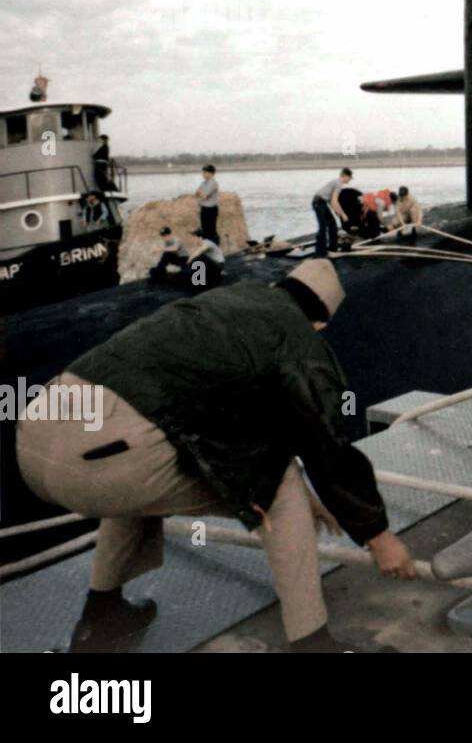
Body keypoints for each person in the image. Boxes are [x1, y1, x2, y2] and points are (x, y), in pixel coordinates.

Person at [16, 260, 415, 654]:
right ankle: (312, 642)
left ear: (280, 287)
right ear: (320, 324)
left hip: (39, 430)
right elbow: (327, 447)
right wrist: (377, 536)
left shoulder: (226, 300)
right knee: (280, 490)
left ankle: (100, 617)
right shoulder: (298, 337)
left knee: (137, 475)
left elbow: (213, 423)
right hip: (109, 457)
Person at [311, 169, 352, 257]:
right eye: (349, 178)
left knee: (332, 225)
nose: (349, 180)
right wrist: (342, 214)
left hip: (323, 203)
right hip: (318, 203)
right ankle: (319, 253)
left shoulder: (336, 182)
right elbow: (334, 201)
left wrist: (336, 210)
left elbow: (331, 200)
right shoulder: (339, 184)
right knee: (322, 227)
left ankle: (332, 248)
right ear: (345, 176)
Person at [195, 164, 219, 242]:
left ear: (211, 173)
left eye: (205, 172)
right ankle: (207, 247)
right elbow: (196, 193)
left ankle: (215, 247)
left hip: (211, 209)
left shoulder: (213, 183)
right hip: (204, 208)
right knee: (204, 229)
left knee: (211, 230)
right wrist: (200, 193)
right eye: (203, 172)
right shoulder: (204, 182)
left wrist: (200, 192)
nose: (203, 174)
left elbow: (204, 196)